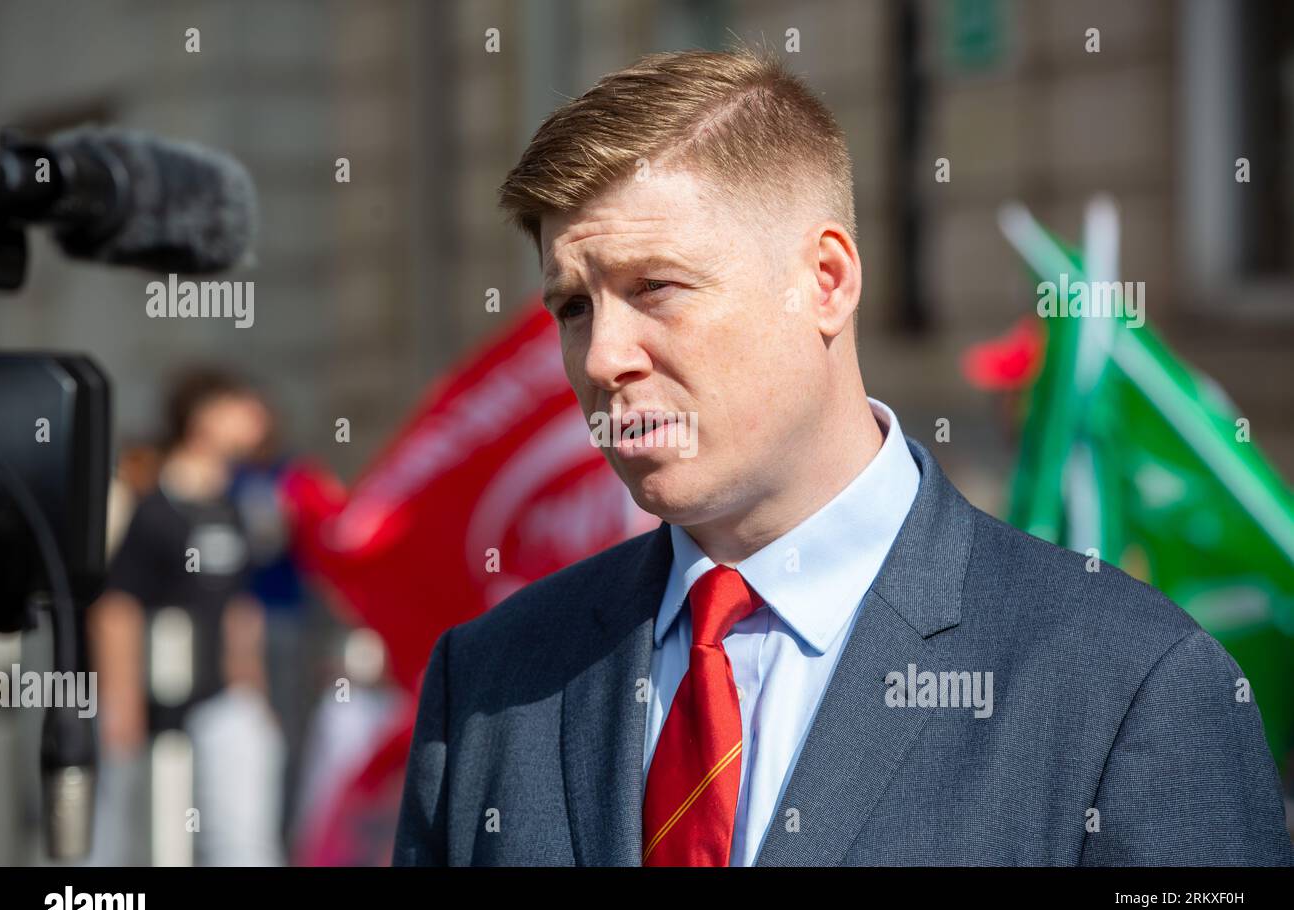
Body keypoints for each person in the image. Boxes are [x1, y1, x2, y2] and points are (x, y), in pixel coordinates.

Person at [392, 47, 1294, 866]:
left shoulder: (1129, 685)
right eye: (573, 308)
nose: (601, 358)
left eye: (653, 288)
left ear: (825, 282)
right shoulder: (489, 682)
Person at [89, 366, 284, 865]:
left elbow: (240, 609)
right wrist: (121, 702)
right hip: (153, 706)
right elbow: (117, 607)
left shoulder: (233, 508)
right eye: (239, 405)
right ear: (203, 416)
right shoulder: (154, 508)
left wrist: (252, 691)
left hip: (217, 697)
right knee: (125, 839)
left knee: (241, 838)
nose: (256, 417)